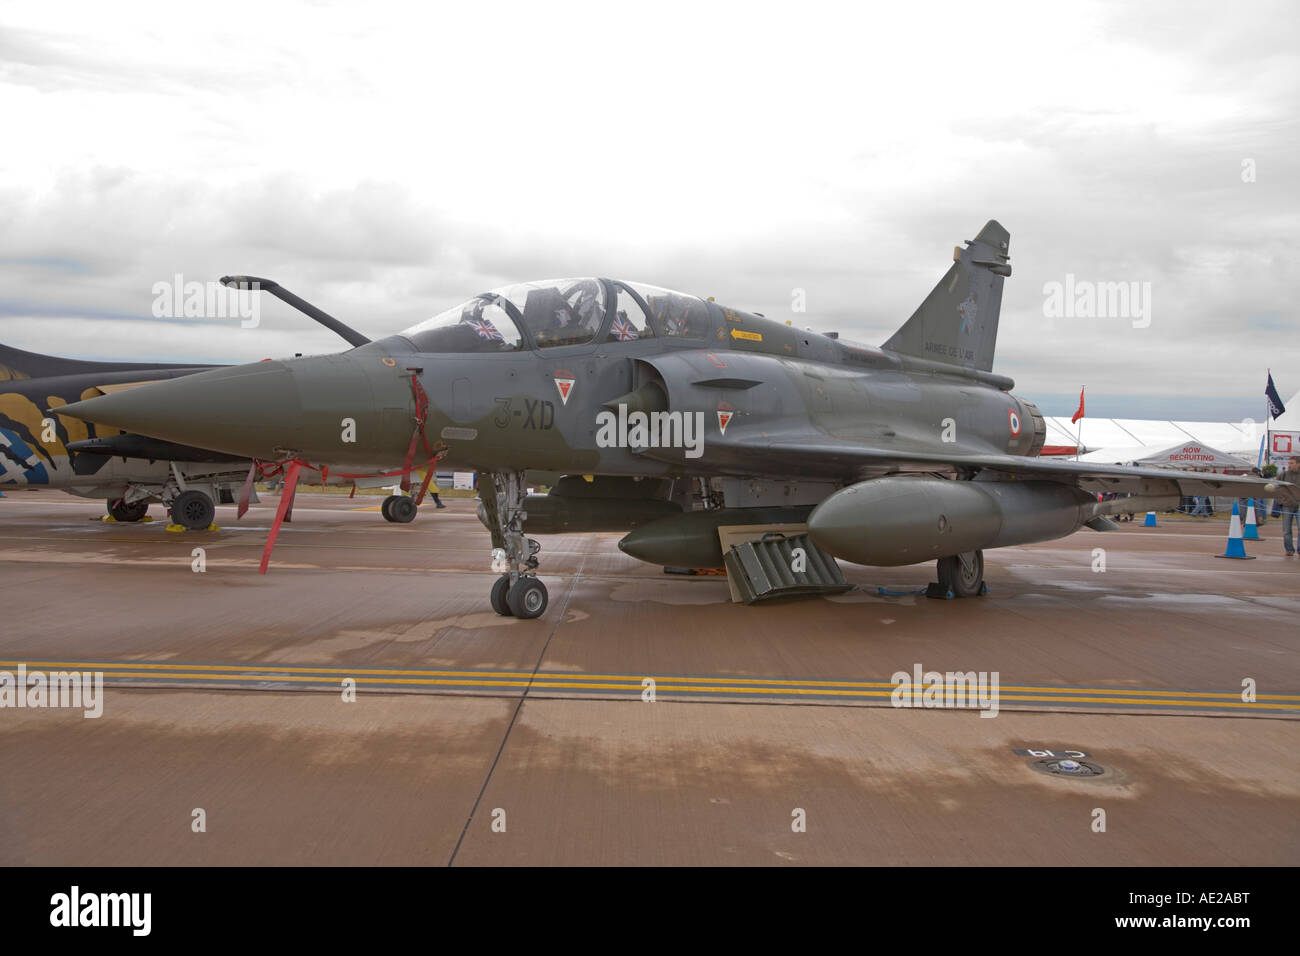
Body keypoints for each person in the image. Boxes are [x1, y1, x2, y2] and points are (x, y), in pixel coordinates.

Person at [1281, 456, 1300, 556]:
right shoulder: (1284, 474)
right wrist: (1280, 500)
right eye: (1288, 463)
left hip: (1299, 505)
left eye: (1291, 463)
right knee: (1286, 529)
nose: (1289, 465)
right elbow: (1275, 486)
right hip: (1287, 505)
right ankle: (1289, 549)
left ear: (1298, 464)